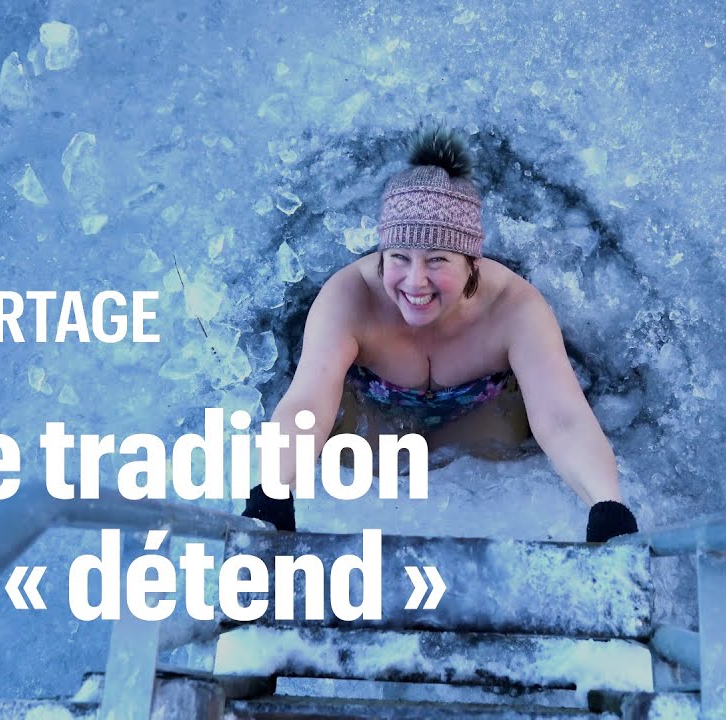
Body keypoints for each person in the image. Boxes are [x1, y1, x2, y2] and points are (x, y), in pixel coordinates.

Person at [242, 127, 638, 543]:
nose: (415, 282)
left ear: (471, 261)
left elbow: (562, 417)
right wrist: (272, 491)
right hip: (374, 427)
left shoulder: (515, 309)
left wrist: (607, 508)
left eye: (436, 260)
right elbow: (307, 402)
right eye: (399, 257)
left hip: (479, 432)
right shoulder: (349, 297)